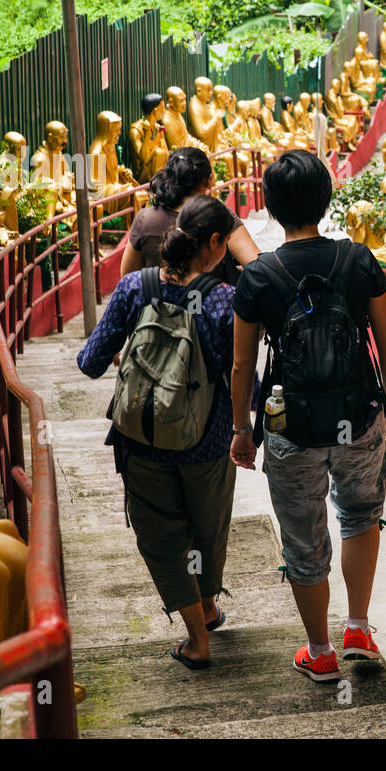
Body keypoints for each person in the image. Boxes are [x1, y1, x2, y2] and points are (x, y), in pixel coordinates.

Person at [230, 149, 386, 684]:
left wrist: (242, 430)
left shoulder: (258, 275)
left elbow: (242, 365)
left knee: (304, 536)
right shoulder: (358, 260)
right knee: (359, 515)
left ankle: (320, 650)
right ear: (325, 200)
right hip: (359, 413)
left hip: (290, 424)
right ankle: (358, 628)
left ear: (270, 206)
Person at [77, 195, 240, 671]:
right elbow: (239, 375)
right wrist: (245, 427)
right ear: (212, 244)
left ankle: (196, 636)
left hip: (141, 440)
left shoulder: (133, 288)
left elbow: (89, 362)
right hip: (207, 442)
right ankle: (207, 609)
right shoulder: (223, 300)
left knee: (163, 536)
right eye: (226, 244)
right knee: (207, 528)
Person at [120, 146, 260, 284]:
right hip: (207, 303)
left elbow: (127, 276)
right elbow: (255, 265)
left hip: (156, 304)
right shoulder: (219, 215)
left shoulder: (145, 219)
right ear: (208, 181)